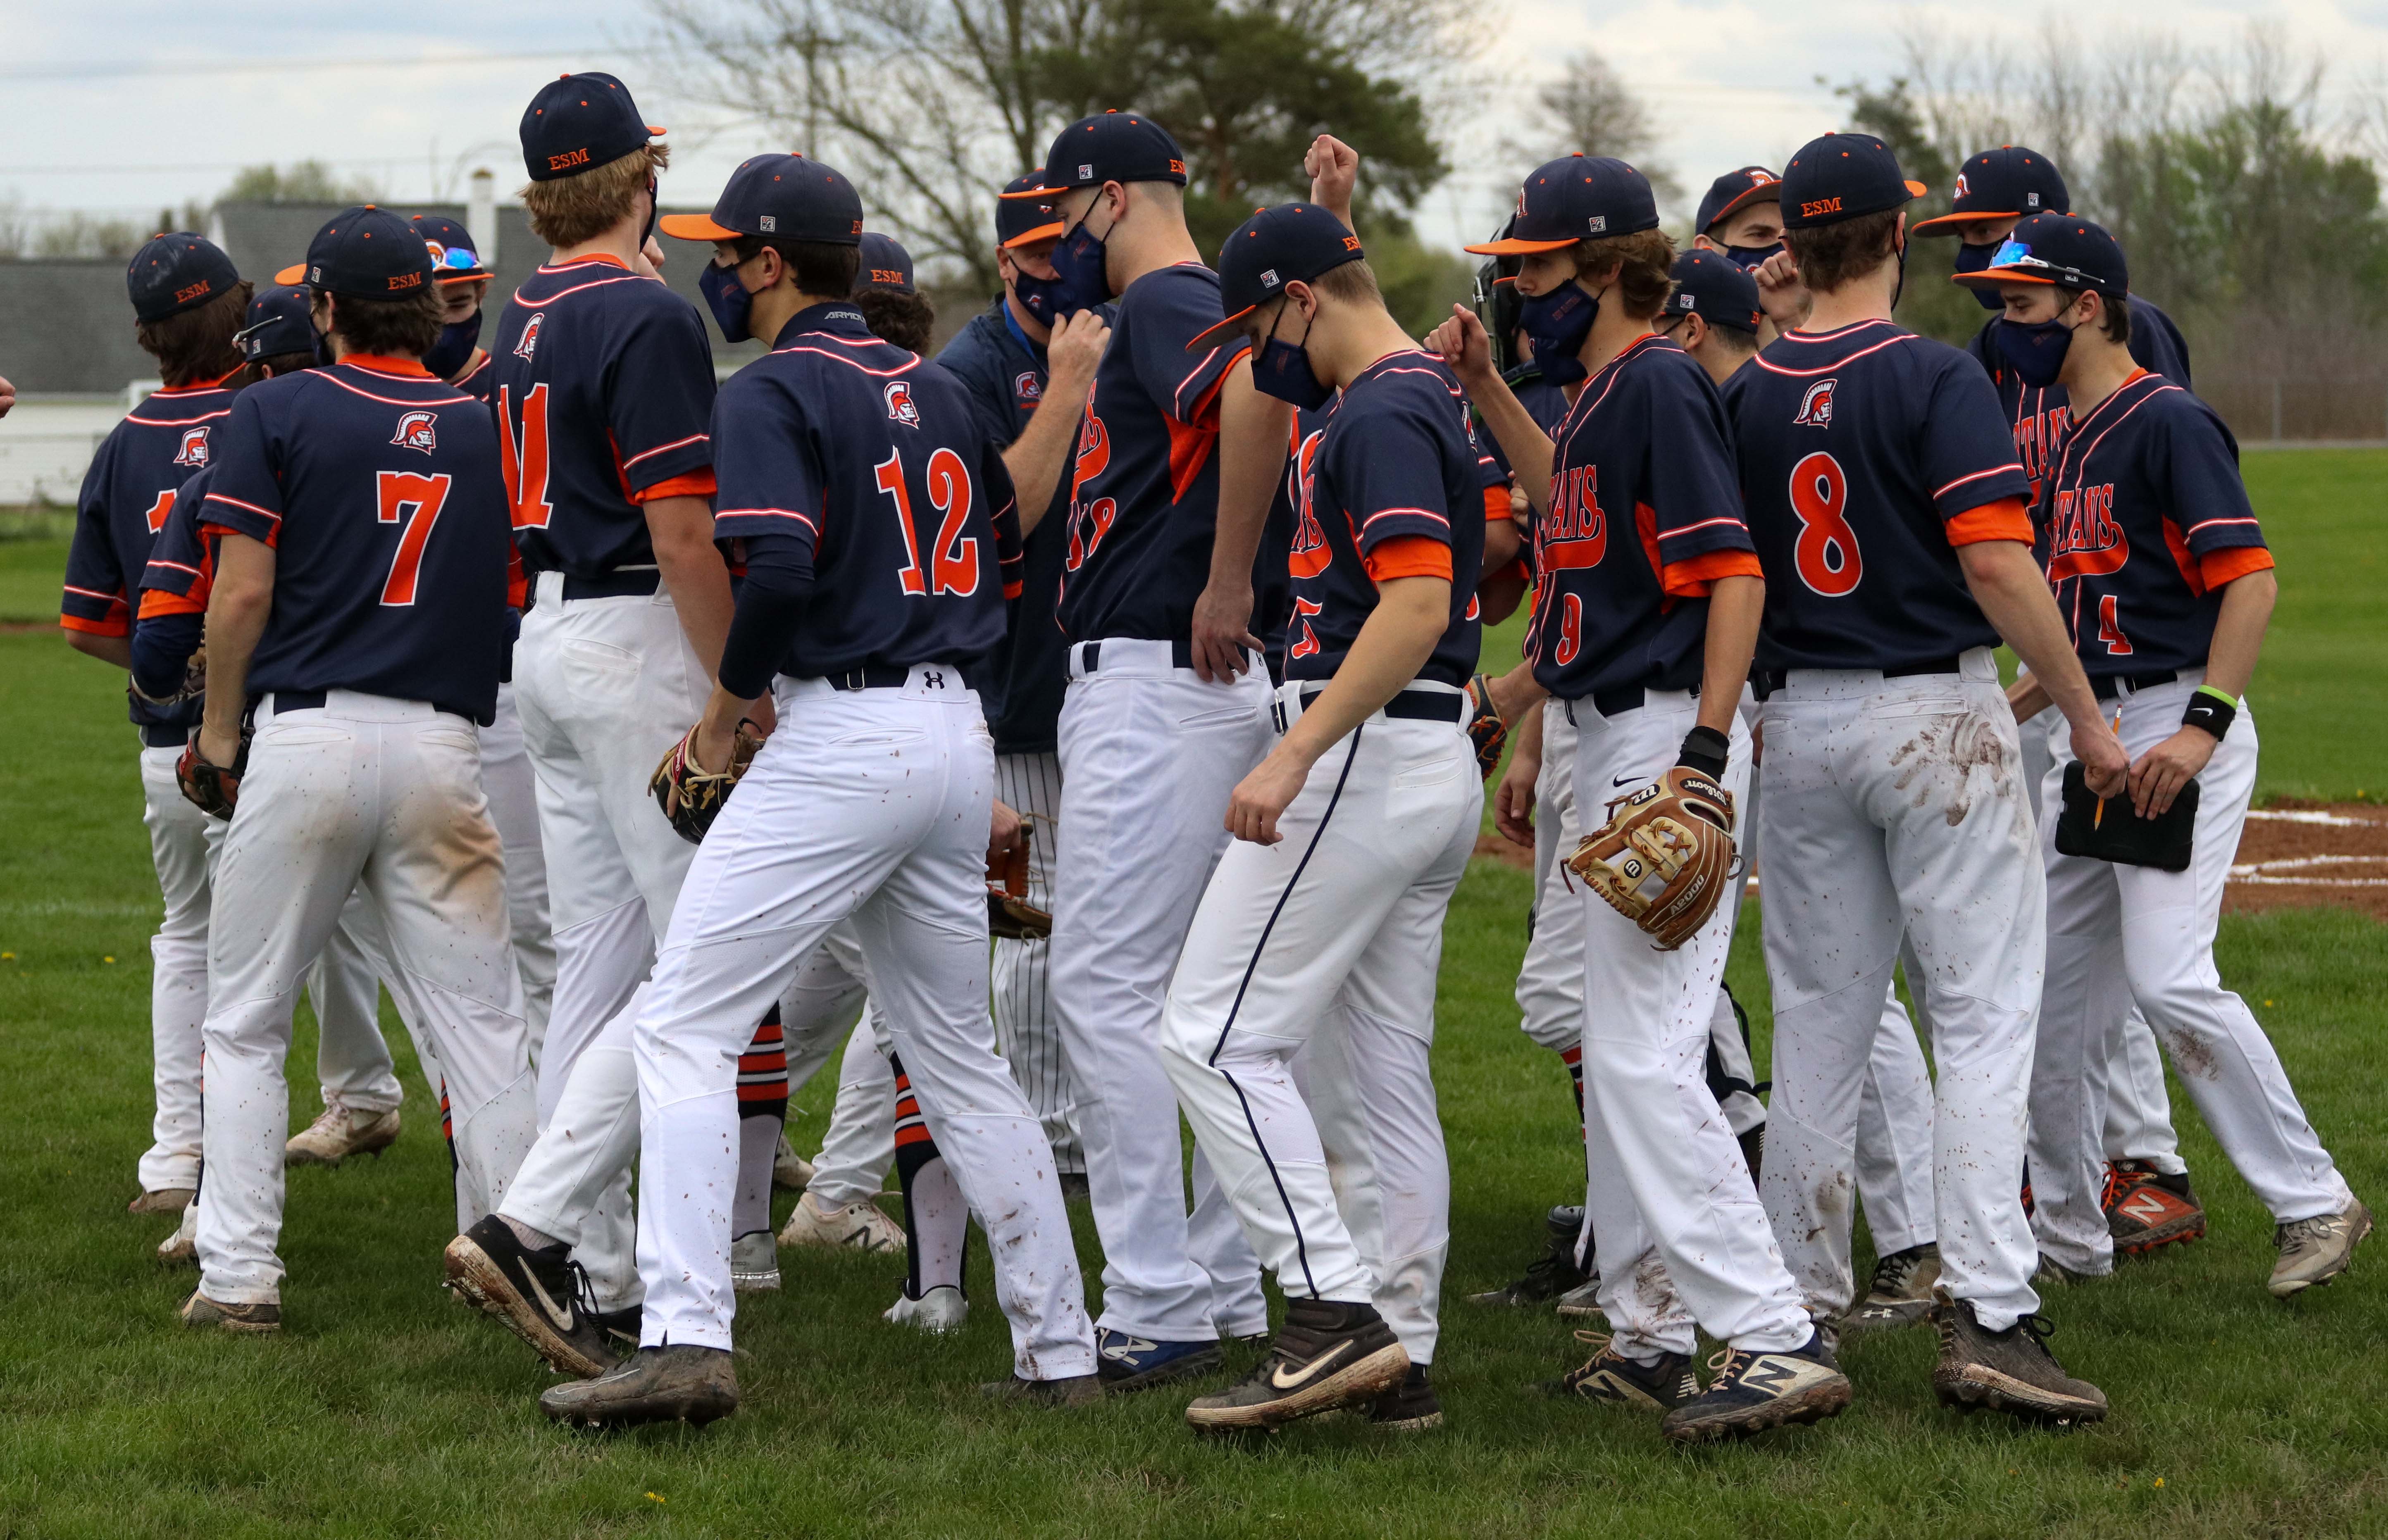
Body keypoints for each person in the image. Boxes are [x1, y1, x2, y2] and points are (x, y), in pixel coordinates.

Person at [539, 152, 1097, 1426]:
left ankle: (687, 1334)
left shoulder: (773, 389)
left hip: (844, 732)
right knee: (960, 1056)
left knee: (684, 1022)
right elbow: (1006, 529)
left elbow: (778, 571)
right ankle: (1059, 1348)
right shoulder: (936, 383)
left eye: (728, 255)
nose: (714, 274)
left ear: (776, 262)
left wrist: (728, 716)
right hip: (956, 730)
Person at [1439, 154, 1848, 1444]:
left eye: (1537, 273)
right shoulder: (1615, 391)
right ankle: (1652, 1333)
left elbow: (1733, 576)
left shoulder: (1661, 383)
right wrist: (1490, 389)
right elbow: (1573, 499)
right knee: (1619, 1054)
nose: (1520, 294)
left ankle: (1775, 1335)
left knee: (1646, 1055)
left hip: (1663, 738)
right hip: (1615, 727)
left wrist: (1706, 759)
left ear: (1610, 270)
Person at [1732, 133, 2124, 1425]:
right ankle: (1994, 1315)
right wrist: (2085, 717)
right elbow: (2001, 569)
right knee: (1982, 1015)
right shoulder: (1933, 377)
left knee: (1821, 1028)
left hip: (1798, 731)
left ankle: (1790, 1309)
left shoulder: (1747, 389)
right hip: (1935, 721)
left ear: (1793, 242)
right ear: (1898, 238)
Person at [1956, 215, 2369, 1297]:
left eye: (2024, 307)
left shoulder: (2166, 422)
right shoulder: (2075, 431)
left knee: (2170, 977)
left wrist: (2204, 725)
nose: (2007, 331)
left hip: (2175, 730)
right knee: (2037, 985)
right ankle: (2067, 1234)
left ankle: (2315, 1201)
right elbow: (2091, 617)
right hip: (2102, 731)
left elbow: (2250, 582)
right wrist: (2019, 701)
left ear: (2086, 305)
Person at [441, 72, 778, 1373]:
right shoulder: (644, 312)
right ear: (646, 180)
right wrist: (730, 695)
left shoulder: (521, 310)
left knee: (596, 959)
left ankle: (595, 1265)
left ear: (538, 198)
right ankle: (537, 1229)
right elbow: (683, 529)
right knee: (698, 962)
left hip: (550, 637)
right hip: (634, 633)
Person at [176, 206, 539, 1331]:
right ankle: (522, 1260)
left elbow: (240, 590)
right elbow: (507, 590)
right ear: (429, 303)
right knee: (482, 1027)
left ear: (324, 306)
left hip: (309, 732)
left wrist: (219, 732)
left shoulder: (276, 405)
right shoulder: (481, 423)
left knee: (242, 1019)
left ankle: (238, 1277)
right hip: (441, 738)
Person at [1154, 203, 1483, 1434]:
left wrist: (1294, 753)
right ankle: (1397, 1353)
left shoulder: (1386, 405)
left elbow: (1413, 602)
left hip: (1361, 750)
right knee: (1378, 1076)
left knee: (1208, 1037)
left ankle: (1329, 1311)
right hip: (1410, 753)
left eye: (1256, 323)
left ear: (1303, 296)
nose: (1255, 352)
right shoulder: (1405, 393)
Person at [997, 109, 1284, 1390]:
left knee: (1103, 994)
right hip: (1193, 688)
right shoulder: (1182, 295)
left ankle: (1159, 1300)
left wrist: (1227, 576)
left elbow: (1250, 399)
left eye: (1065, 215)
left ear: (1111, 199)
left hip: (1161, 682)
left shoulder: (1169, 293)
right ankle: (1216, 1286)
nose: (1055, 241)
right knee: (1191, 1005)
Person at [1913, 147, 2203, 1252]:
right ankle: (2071, 1173)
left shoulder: (2131, 335)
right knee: (2056, 922)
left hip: (2122, 657)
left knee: (2108, 925)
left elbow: (2162, 471)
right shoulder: (1990, 353)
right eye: (1966, 246)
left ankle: (2146, 1165)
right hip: (2049, 645)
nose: (1981, 263)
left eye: (1993, 238)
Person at [1664, 248, 1948, 1333]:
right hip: (1845, 707)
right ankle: (1919, 1253)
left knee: (1850, 1001)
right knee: (1893, 999)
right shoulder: (1781, 390)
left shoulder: (1742, 405)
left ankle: (1907, 1244)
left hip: (1791, 708)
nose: (1765, 262)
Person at [58, 232, 251, 1226]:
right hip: (277, 739)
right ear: (240, 309)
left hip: (165, 740)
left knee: (188, 942)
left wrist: (169, 664)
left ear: (144, 336)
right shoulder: (274, 412)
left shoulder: (125, 445)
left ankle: (178, 1157)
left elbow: (88, 623)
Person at [933, 173, 1115, 1186]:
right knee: (1037, 924)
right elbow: (1000, 525)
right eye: (1043, 254)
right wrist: (1070, 386)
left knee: (1100, 921)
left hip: (1115, 668)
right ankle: (1053, 1141)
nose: (1064, 268)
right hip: (1022, 676)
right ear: (1007, 262)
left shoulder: (1120, 331)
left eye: (1073, 247)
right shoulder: (974, 367)